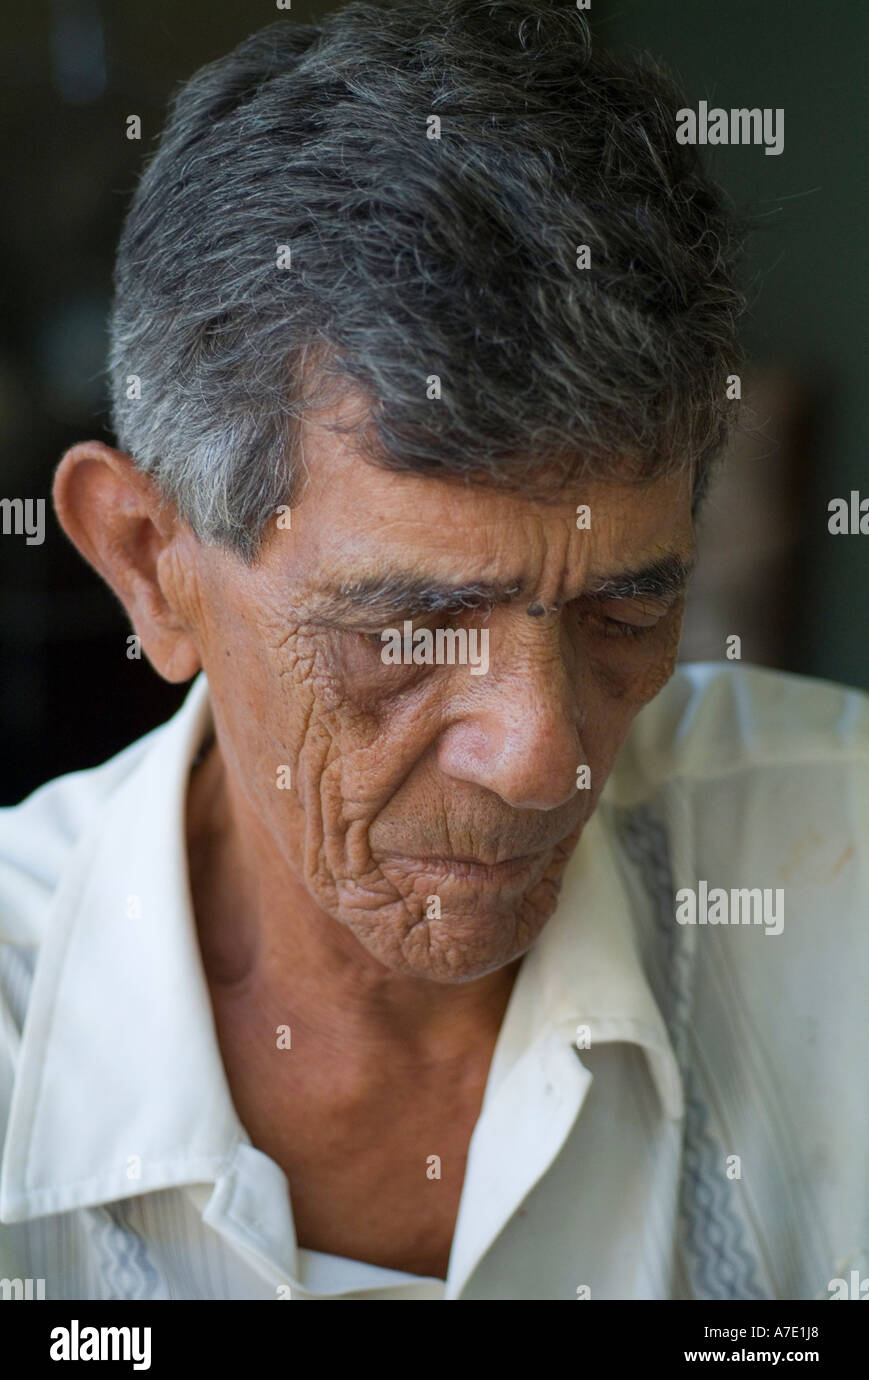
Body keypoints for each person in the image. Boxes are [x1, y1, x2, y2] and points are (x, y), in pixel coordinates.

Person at [1, 0, 866, 1301]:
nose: (539, 755)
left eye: (624, 611)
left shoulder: (838, 876)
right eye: (405, 629)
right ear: (146, 561)